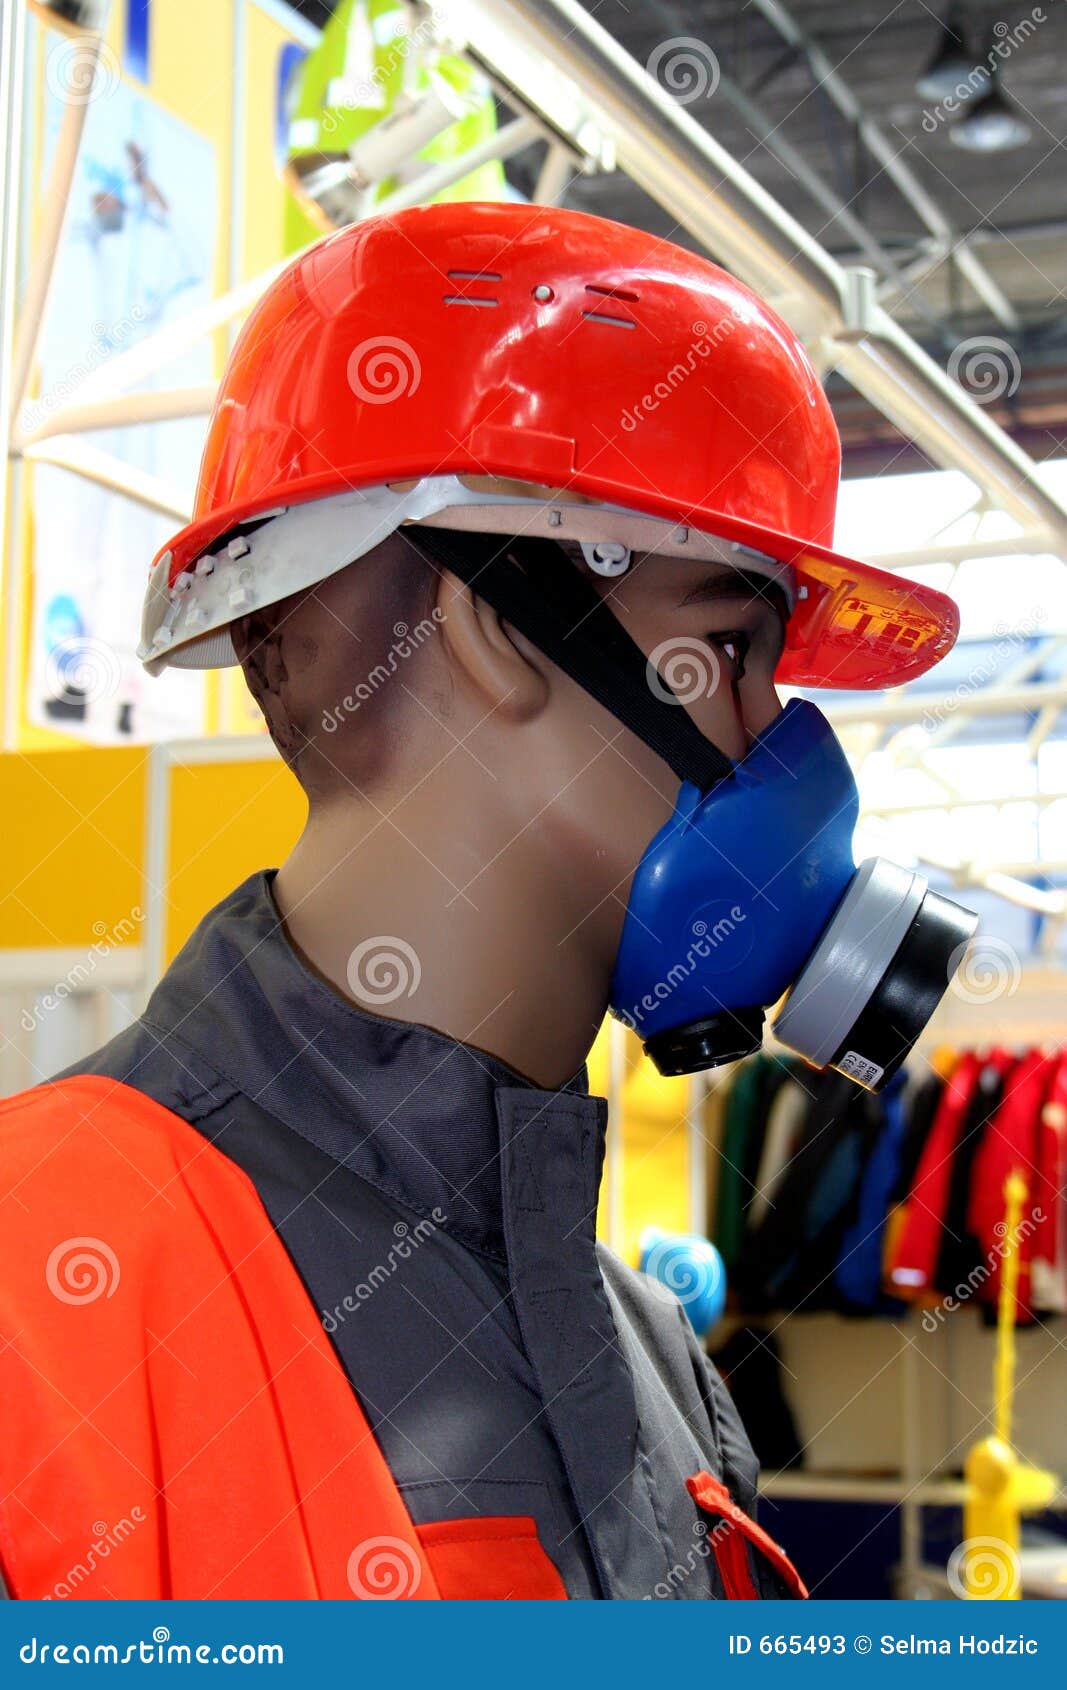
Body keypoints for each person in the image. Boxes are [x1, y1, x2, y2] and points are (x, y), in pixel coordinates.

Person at [0, 201, 965, 1601]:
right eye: (731, 647)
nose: (775, 739)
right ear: (501, 628)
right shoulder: (42, 1279)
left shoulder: (652, 1357)